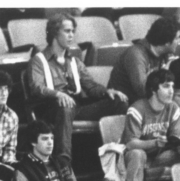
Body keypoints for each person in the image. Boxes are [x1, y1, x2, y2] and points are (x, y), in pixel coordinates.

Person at [25, 13, 127, 162]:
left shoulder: (74, 61)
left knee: (119, 101)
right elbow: (36, 88)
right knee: (65, 105)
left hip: (76, 107)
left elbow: (90, 86)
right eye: (67, 31)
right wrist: (58, 94)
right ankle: (63, 163)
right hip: (51, 110)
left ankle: (117, 158)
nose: (71, 35)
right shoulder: (38, 61)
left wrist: (107, 91)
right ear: (54, 32)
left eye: (73, 31)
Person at [108, 17, 180, 102]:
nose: (179, 41)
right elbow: (142, 90)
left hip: (146, 102)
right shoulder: (136, 54)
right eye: (177, 38)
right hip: (126, 103)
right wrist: (163, 73)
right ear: (167, 43)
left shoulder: (166, 54)